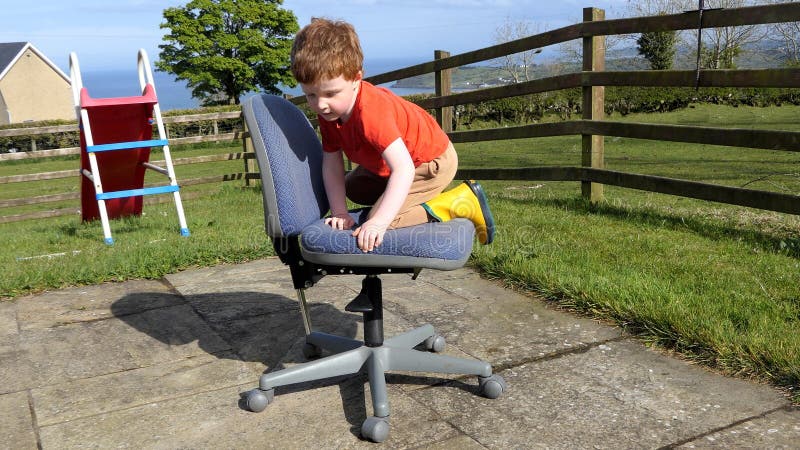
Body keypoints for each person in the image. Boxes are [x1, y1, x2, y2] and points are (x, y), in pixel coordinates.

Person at [290, 17, 495, 252]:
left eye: (331, 93)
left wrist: (378, 222)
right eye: (310, 95)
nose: (321, 105)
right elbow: (332, 164)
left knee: (377, 221)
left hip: (430, 163)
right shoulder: (330, 113)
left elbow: (404, 168)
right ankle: (396, 200)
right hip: (388, 165)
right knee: (353, 189)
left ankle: (458, 202)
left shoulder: (371, 112)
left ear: (356, 79)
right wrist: (339, 212)